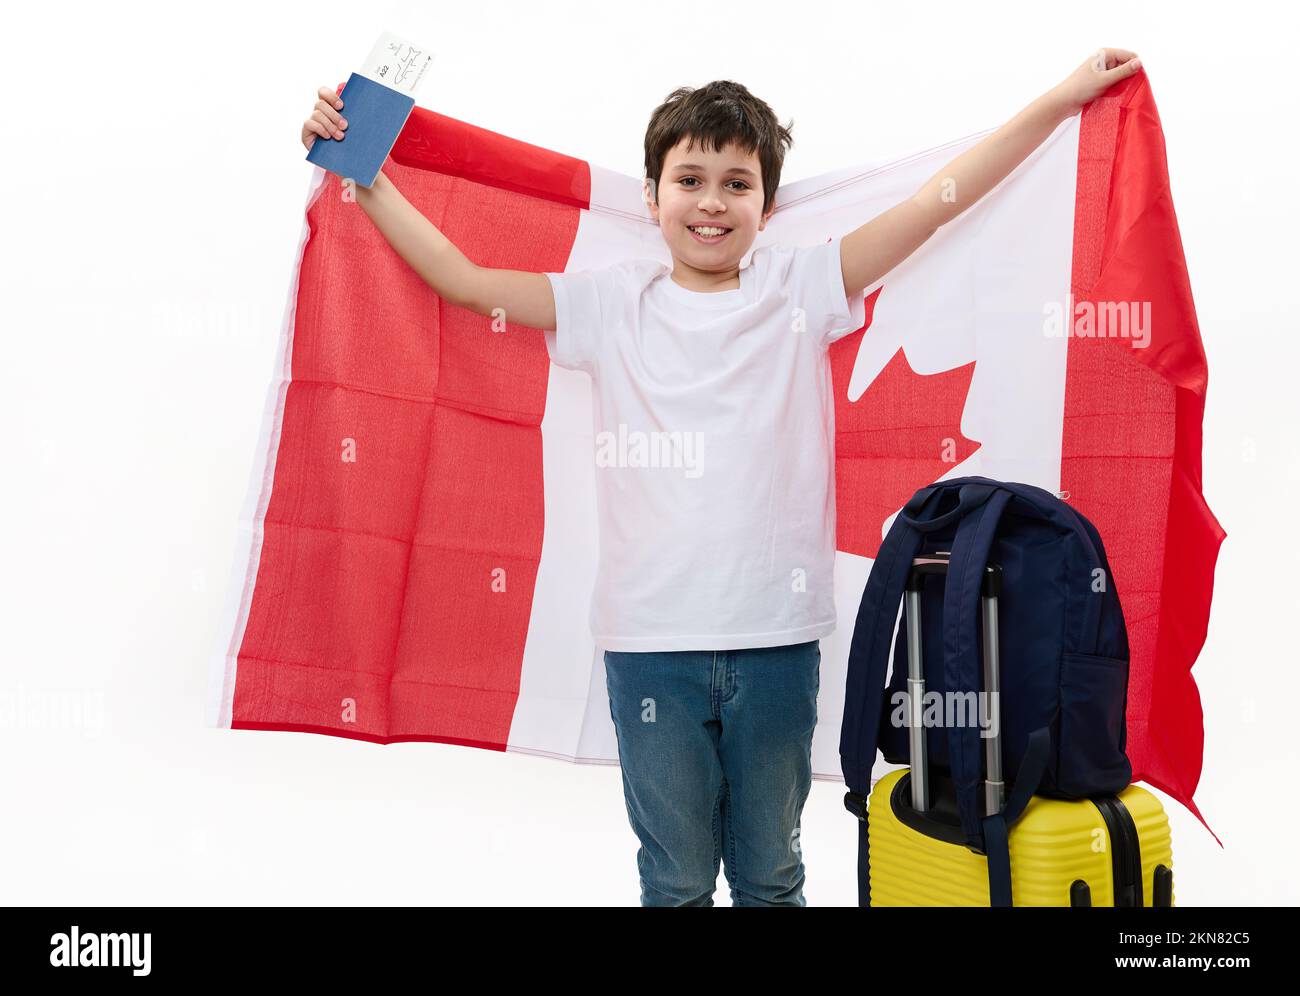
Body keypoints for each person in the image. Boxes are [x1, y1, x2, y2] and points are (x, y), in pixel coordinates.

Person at [299, 49, 1141, 906]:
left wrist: (1063, 97)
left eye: (736, 184)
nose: (711, 202)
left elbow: (931, 207)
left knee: (771, 874)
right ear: (653, 196)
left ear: (767, 206)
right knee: (674, 878)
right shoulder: (608, 303)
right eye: (689, 179)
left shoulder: (801, 286)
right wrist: (365, 173)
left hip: (775, 643)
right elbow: (465, 281)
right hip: (648, 648)